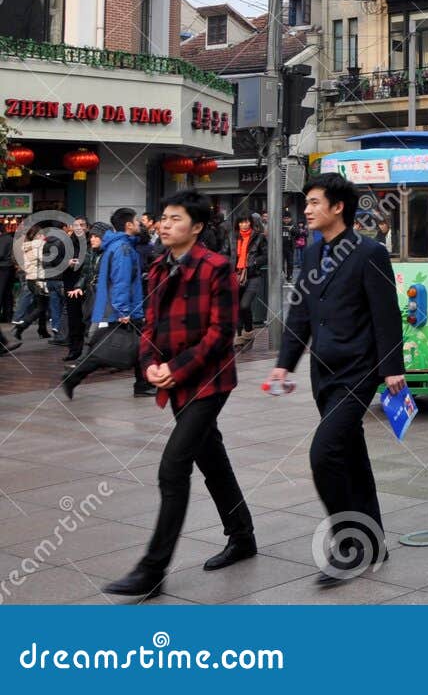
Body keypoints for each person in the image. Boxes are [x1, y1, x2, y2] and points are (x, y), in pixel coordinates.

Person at [101, 191, 255, 598]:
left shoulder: (216, 268)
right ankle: (242, 536)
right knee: (212, 458)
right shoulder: (156, 268)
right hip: (175, 381)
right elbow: (149, 324)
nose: (164, 225)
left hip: (209, 381)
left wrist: (177, 367)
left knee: (173, 467)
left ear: (197, 227)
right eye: (163, 219)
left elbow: (221, 333)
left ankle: (152, 569)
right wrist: (150, 362)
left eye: (174, 219)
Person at [268, 172, 406, 586]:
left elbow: (387, 314)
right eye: (306, 203)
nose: (306, 210)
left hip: (357, 372)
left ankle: (349, 546)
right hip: (322, 372)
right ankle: (372, 542)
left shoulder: (369, 254)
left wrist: (392, 367)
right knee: (350, 457)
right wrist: (284, 363)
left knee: (323, 454)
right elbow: (301, 314)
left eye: (313, 203)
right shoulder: (311, 255)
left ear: (337, 207)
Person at [62, 209, 153, 397]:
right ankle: (72, 377)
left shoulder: (119, 246)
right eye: (136, 221)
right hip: (122, 309)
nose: (139, 224)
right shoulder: (123, 249)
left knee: (138, 345)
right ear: (128, 225)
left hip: (119, 307)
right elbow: (121, 281)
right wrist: (123, 311)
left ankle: (142, 385)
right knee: (105, 350)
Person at [61, 222, 102, 363]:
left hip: (90, 287)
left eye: (82, 225)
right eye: (75, 225)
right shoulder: (66, 244)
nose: (79, 227)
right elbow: (52, 263)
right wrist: (67, 263)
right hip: (72, 285)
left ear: (87, 228)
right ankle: (75, 350)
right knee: (74, 319)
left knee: (91, 321)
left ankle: (95, 354)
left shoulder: (94, 244)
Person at [228, 213, 268, 348]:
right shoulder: (232, 237)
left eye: (246, 222)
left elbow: (266, 255)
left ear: (251, 223)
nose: (244, 225)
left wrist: (255, 262)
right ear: (237, 224)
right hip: (235, 275)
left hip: (252, 276)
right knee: (238, 307)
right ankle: (239, 336)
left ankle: (249, 331)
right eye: (241, 222)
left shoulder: (259, 237)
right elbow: (225, 253)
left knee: (244, 305)